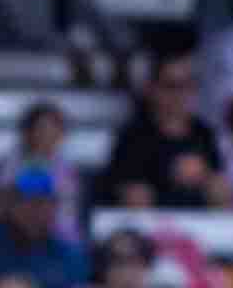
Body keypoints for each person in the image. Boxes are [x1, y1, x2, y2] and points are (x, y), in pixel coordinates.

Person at [96, 49, 225, 213]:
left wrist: (204, 176)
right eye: (172, 86)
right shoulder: (133, 135)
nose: (180, 94)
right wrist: (171, 174)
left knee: (220, 188)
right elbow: (127, 188)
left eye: (187, 86)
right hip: (151, 222)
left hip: (198, 218)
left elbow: (217, 180)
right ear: (152, 89)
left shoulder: (204, 132)